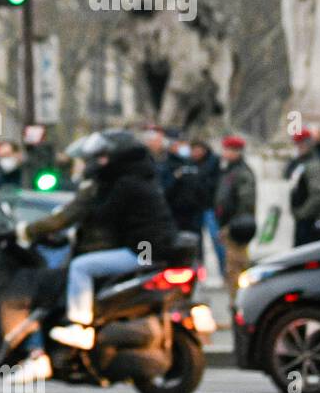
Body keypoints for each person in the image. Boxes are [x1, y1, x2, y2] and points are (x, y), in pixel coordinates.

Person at [15, 130, 178, 380]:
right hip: (153, 248)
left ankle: (80, 325)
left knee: (81, 266)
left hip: (141, 251)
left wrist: (90, 209)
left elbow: (104, 214)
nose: (99, 164)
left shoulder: (124, 185)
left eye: (102, 159)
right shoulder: (143, 179)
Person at [214, 135, 257, 305]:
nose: (225, 153)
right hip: (229, 225)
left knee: (237, 267)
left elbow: (245, 203)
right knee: (233, 267)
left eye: (228, 150)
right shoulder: (230, 170)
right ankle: (237, 301)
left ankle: (240, 303)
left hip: (236, 228)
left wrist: (233, 226)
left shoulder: (241, 172)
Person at [287, 129, 320, 246]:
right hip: (304, 220)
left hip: (313, 220)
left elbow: (319, 194)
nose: (298, 147)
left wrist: (302, 213)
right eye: (297, 144)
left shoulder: (314, 165)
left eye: (301, 144)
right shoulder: (301, 163)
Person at [191, 138, 225, 275]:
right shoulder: (190, 164)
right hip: (196, 208)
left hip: (211, 208)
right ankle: (200, 273)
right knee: (197, 244)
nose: (195, 153)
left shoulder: (214, 163)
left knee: (217, 241)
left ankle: (224, 272)